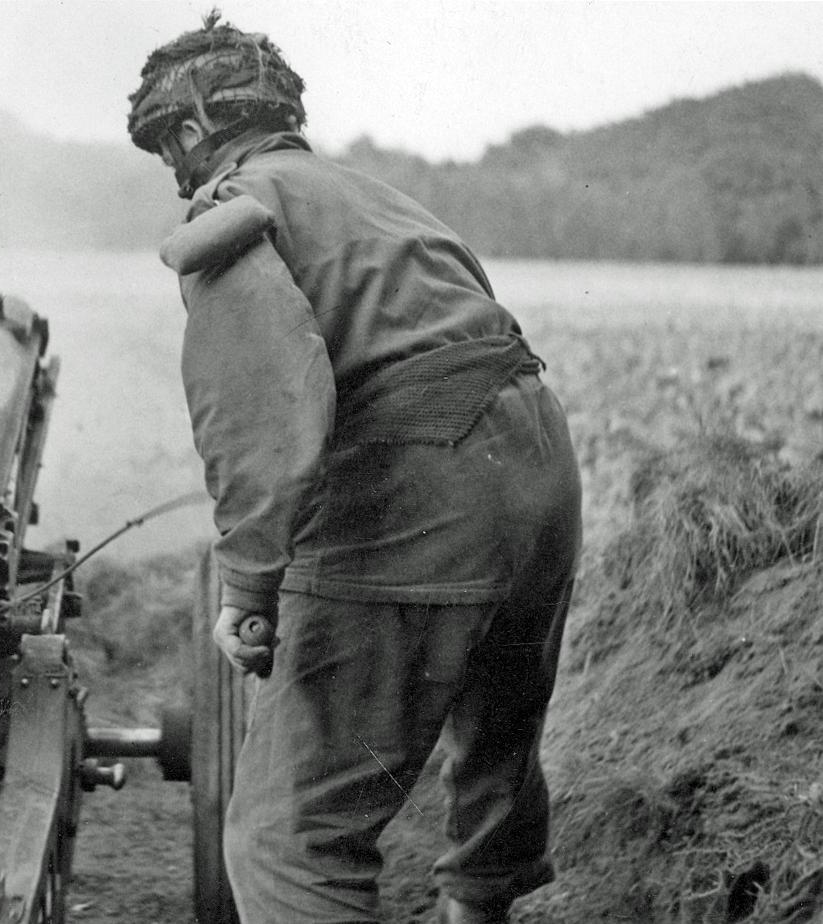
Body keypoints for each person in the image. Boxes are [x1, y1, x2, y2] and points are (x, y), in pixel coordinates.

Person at [127, 13, 583, 924]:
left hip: (424, 492)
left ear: (189, 132)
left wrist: (248, 588)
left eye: (166, 148)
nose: (175, 170)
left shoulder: (236, 207)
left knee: (287, 837)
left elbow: (260, 408)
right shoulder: (378, 197)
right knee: (493, 750)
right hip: (537, 478)